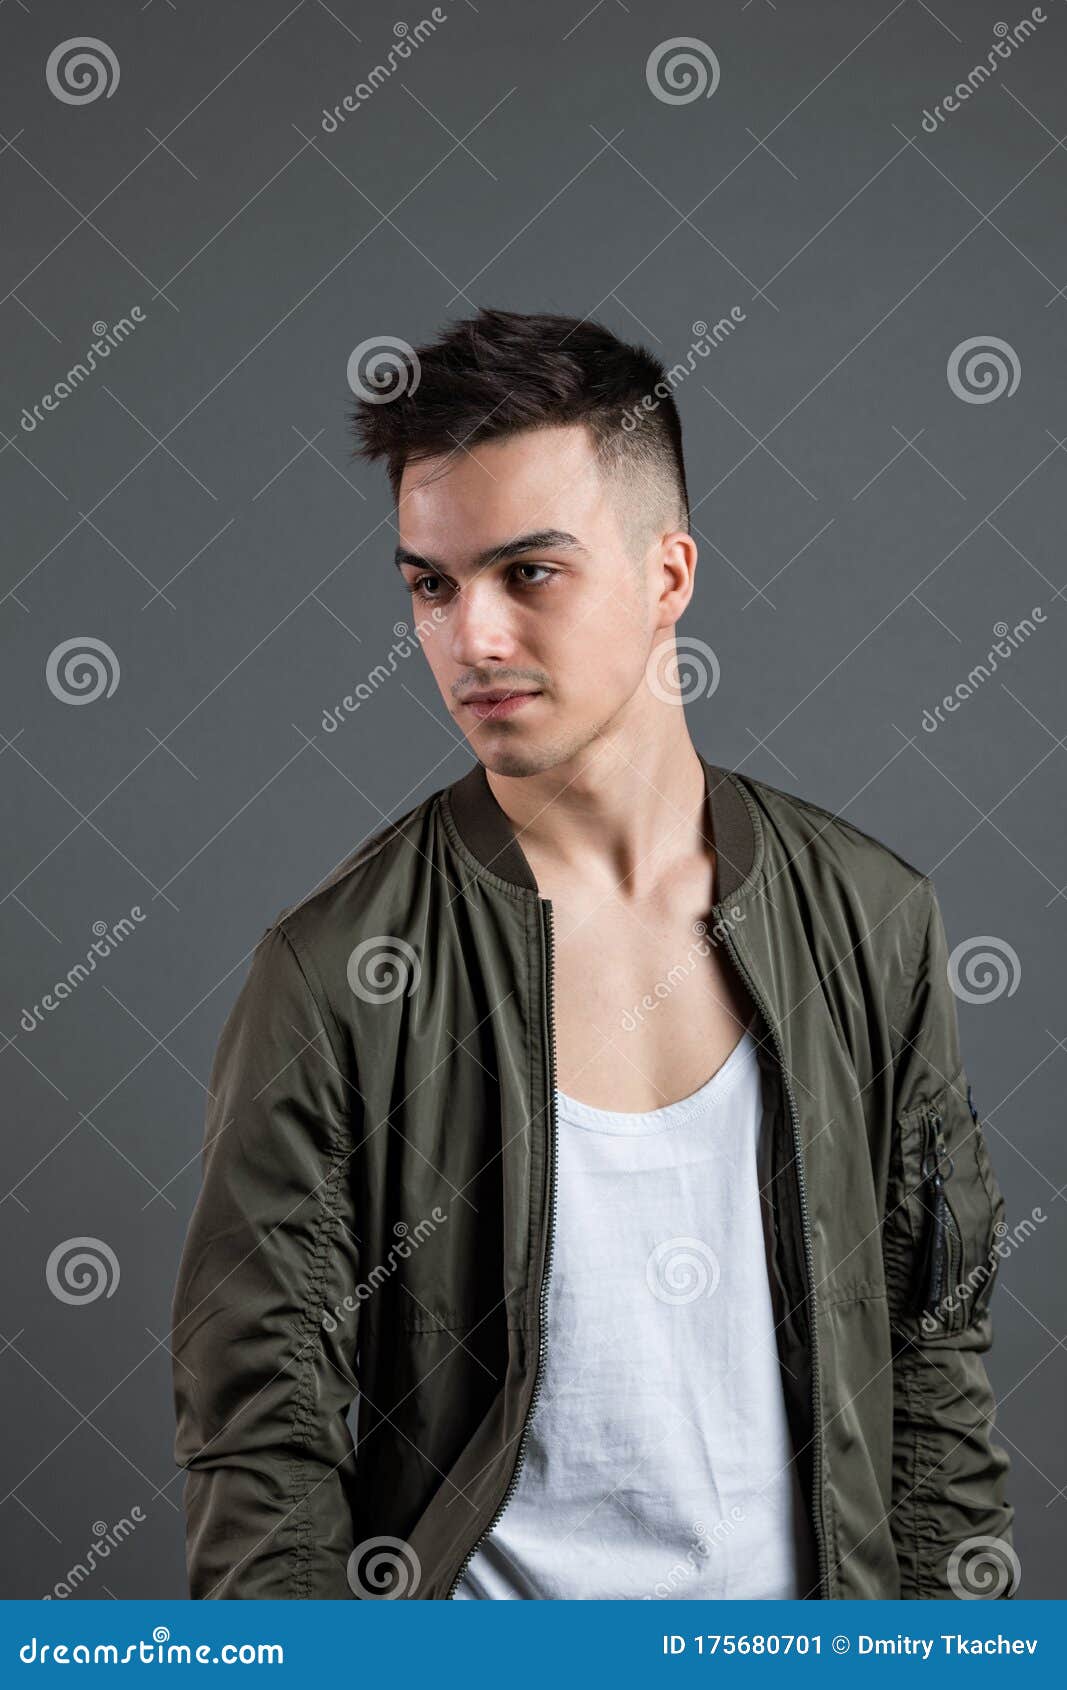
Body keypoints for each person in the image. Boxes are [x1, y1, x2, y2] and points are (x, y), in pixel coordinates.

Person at [170, 307, 1013, 1601]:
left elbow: (935, 1365)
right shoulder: (340, 973)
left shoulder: (868, 918)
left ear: (670, 574)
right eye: (432, 585)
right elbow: (258, 1444)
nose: (474, 639)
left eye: (530, 573)